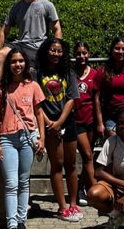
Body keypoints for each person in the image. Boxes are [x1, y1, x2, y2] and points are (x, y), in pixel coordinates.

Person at [0, 48, 47, 229]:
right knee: (11, 183)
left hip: (27, 137)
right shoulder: (0, 88)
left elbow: (39, 113)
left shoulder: (33, 86)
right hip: (7, 138)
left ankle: (22, 220)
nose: (18, 64)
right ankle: (12, 223)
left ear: (26, 63)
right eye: (14, 61)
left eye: (21, 61)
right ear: (8, 64)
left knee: (24, 181)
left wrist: (42, 139)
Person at [36, 37, 82, 222]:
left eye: (59, 51)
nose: (56, 54)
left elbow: (72, 98)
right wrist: (49, 123)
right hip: (48, 122)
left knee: (71, 164)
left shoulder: (68, 72)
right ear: (46, 51)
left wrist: (61, 121)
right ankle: (62, 207)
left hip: (67, 121)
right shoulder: (37, 73)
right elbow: (36, 103)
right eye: (53, 50)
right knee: (57, 164)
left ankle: (73, 204)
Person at [0, 0, 63, 82]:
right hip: (21, 45)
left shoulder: (47, 5)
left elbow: (57, 29)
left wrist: (56, 49)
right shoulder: (16, 7)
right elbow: (3, 31)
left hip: (40, 45)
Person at [73, 41, 102, 207]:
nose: (81, 56)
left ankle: (81, 188)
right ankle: (94, 190)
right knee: (88, 155)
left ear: (89, 54)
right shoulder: (70, 74)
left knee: (88, 157)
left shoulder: (95, 74)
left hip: (90, 120)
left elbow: (97, 100)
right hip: (75, 121)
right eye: (78, 53)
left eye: (84, 53)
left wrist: (99, 123)